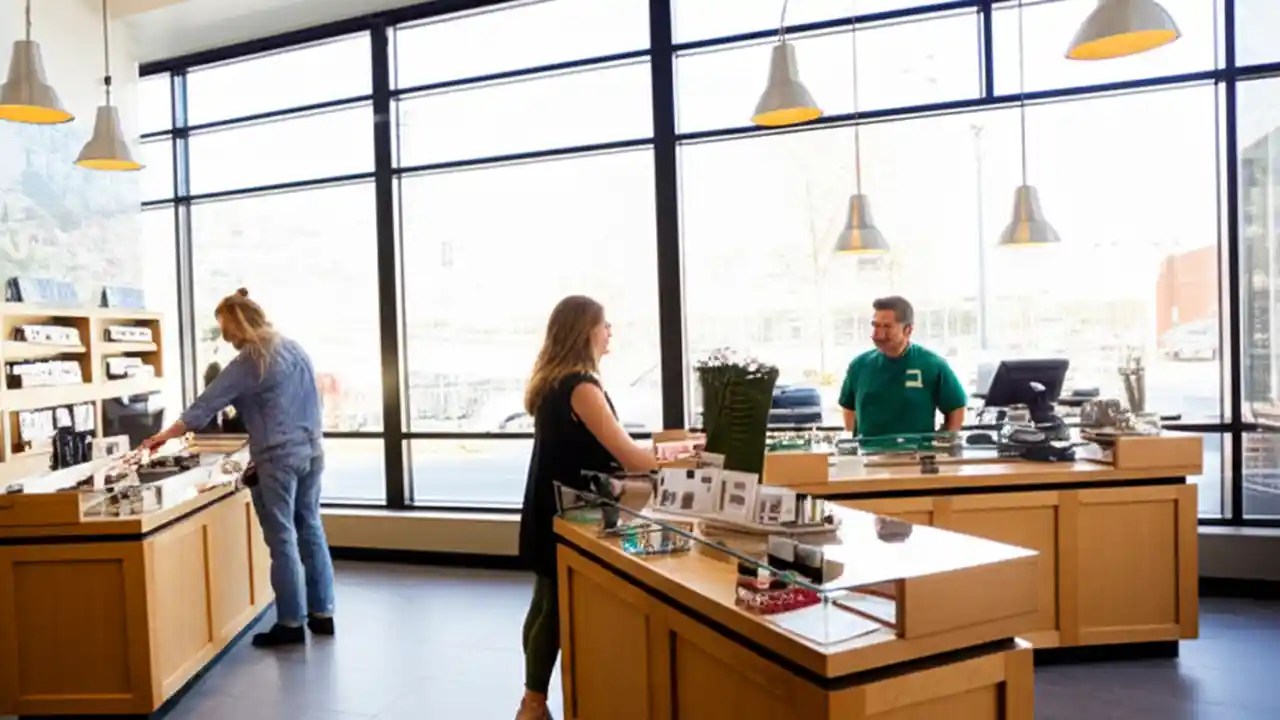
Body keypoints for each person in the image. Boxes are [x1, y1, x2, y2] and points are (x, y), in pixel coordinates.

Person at [142, 289, 335, 649]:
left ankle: (291, 623)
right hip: (312, 451)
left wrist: (163, 436)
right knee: (310, 525)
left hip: (279, 457)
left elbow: (206, 404)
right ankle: (322, 613)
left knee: (282, 537)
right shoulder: (294, 348)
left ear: (239, 321)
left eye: (225, 326)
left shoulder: (253, 358)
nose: (224, 335)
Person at [516, 295, 656, 720]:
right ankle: (533, 704)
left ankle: (531, 699)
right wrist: (678, 457)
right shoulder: (582, 386)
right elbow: (631, 457)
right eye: (605, 324)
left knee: (543, 601)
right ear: (586, 332)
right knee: (555, 608)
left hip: (545, 504)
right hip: (572, 513)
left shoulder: (552, 382)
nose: (610, 331)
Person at [838, 295, 967, 440]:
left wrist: (943, 442)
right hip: (869, 455)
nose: (878, 334)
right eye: (875, 325)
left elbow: (956, 409)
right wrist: (854, 441)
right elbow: (848, 406)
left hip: (915, 455)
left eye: (886, 326)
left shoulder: (932, 365)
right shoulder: (859, 365)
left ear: (908, 330)